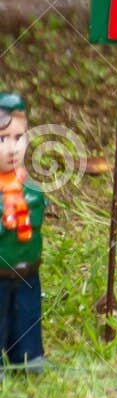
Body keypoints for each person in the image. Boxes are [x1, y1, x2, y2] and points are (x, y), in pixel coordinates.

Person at [0, 93, 46, 370]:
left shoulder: (28, 188)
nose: (12, 148)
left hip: (28, 266)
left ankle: (28, 355)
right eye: (2, 140)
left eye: (19, 138)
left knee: (27, 313)